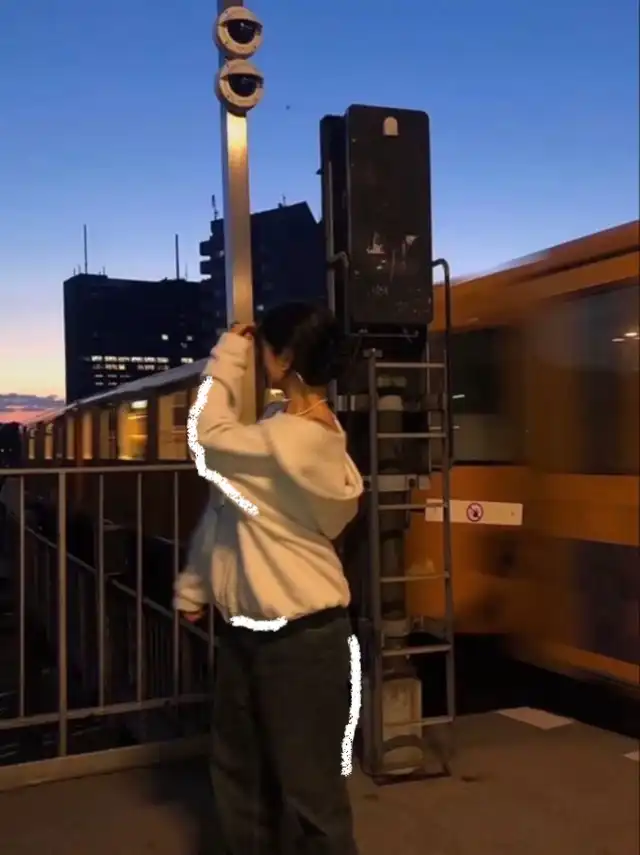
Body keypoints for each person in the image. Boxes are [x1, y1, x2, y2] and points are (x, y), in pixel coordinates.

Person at [174, 302, 364, 855]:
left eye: (263, 353)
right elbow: (227, 512)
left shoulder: (288, 442)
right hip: (260, 635)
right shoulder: (287, 432)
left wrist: (227, 354)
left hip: (299, 641)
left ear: (283, 359)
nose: (258, 362)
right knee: (253, 782)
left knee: (303, 797)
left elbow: (204, 435)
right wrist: (196, 586)